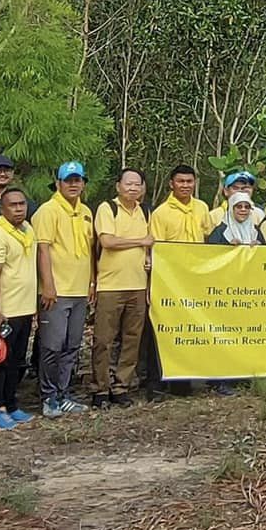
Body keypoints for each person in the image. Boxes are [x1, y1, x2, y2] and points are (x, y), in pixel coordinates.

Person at [33, 162, 96, 418]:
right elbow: (43, 249)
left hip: (80, 290)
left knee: (72, 345)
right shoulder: (48, 211)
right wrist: (48, 285)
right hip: (56, 291)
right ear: (58, 183)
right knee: (52, 345)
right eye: (68, 180)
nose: (73, 184)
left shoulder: (85, 212)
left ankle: (64, 393)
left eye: (78, 180)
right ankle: (48, 397)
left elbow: (90, 250)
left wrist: (92, 282)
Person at [92, 168, 155, 408]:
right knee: (103, 340)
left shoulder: (145, 211)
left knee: (132, 339)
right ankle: (100, 388)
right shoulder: (108, 209)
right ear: (118, 186)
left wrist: (148, 254)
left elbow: (152, 244)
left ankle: (121, 386)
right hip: (110, 285)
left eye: (137, 184)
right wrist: (140, 242)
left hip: (138, 285)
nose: (132, 188)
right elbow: (107, 241)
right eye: (128, 183)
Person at [0, 188, 39, 430]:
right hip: (6, 309)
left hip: (25, 308)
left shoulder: (28, 229)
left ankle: (11, 404)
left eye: (21, 204)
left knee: (16, 361)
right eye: (12, 205)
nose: (18, 209)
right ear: (2, 209)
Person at [150, 165, 213, 244]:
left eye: (189, 181)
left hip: (198, 255)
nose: (185, 185)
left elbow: (209, 236)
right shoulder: (160, 213)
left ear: (195, 183)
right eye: (181, 181)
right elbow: (157, 246)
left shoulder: (202, 207)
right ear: (171, 184)